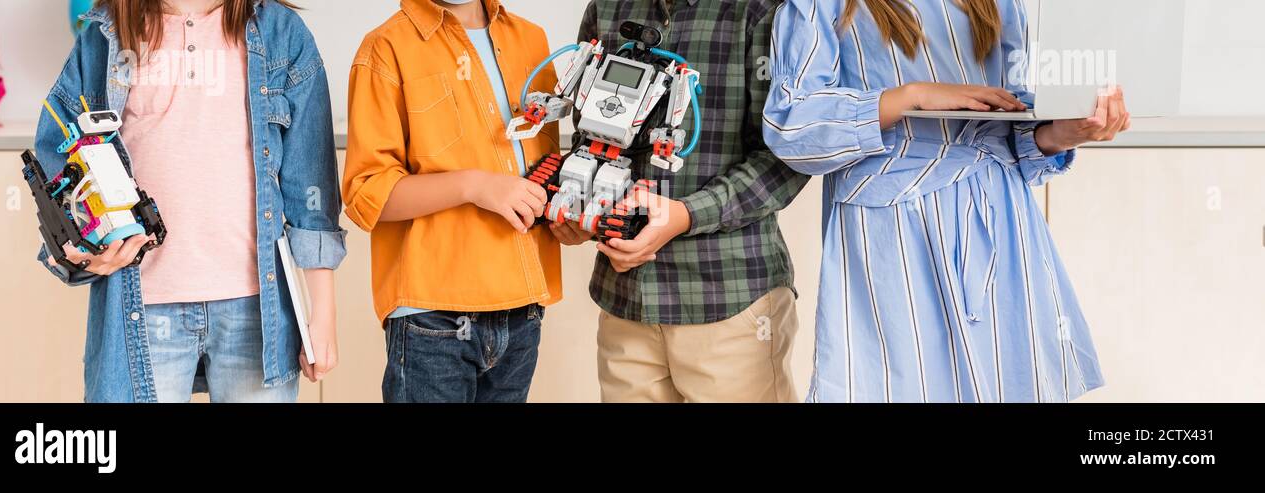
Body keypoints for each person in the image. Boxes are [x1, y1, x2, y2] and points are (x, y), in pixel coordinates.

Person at [763, 0, 1130, 402]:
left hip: (1001, 223)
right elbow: (790, 125)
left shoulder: (1002, 3)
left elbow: (1014, 132)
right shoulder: (819, 5)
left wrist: (1063, 133)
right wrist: (909, 97)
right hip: (898, 234)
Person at [35, 0, 345, 402]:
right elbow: (57, 150)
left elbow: (310, 182)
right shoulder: (106, 33)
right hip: (141, 308)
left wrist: (322, 311)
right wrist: (87, 248)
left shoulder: (280, 32)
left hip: (255, 311)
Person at [555, 0, 809, 403]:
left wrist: (687, 215)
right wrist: (583, 213)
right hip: (625, 301)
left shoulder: (762, 13)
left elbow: (787, 157)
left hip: (727, 300)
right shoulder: (605, 9)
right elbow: (594, 139)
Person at [342, 0, 567, 403]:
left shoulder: (532, 41)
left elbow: (544, 165)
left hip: (522, 309)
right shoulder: (386, 47)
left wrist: (566, 216)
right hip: (433, 317)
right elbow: (366, 193)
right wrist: (473, 185)